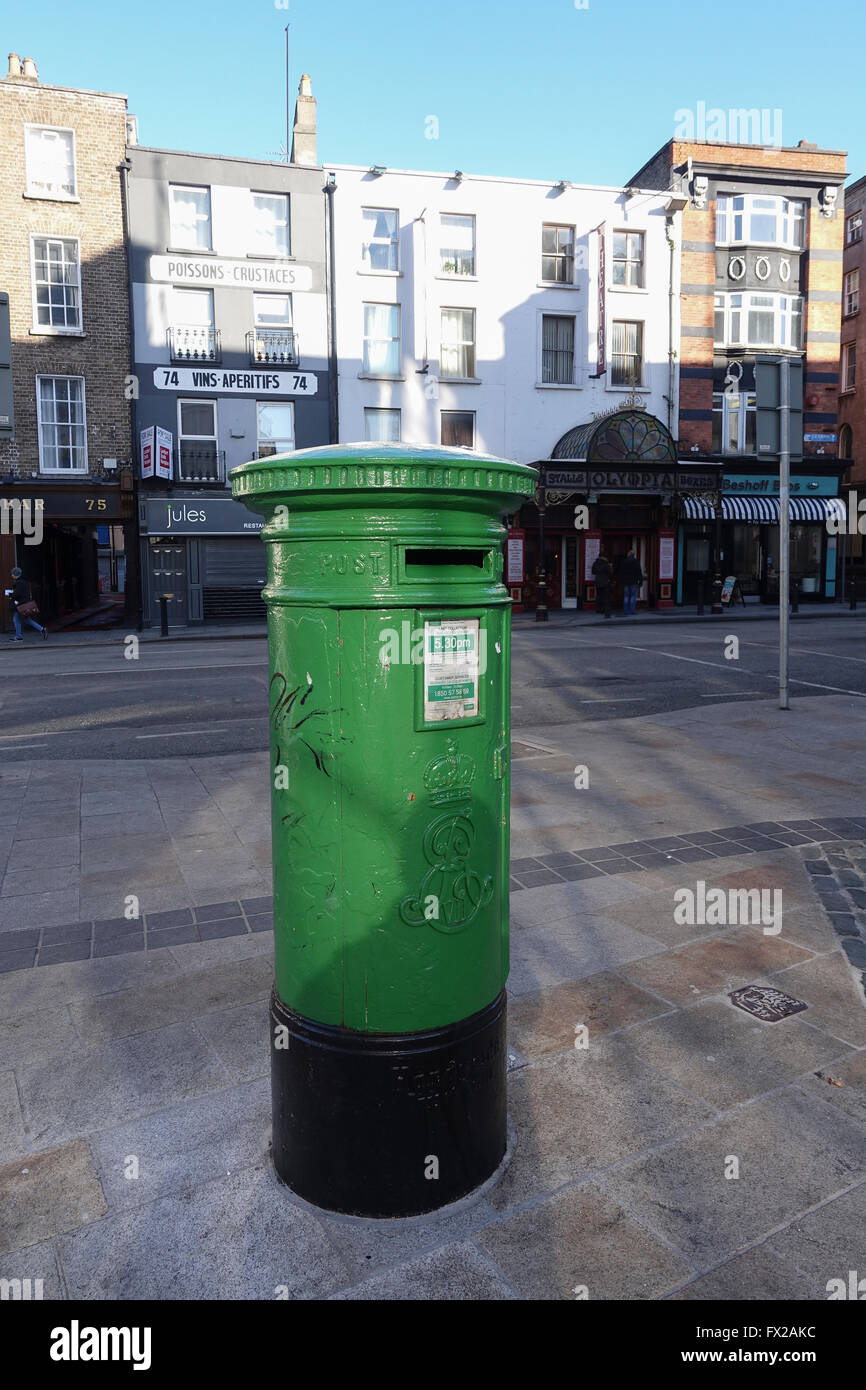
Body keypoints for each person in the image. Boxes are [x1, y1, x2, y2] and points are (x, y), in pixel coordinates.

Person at [7, 568, 47, 642]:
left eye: (12, 573)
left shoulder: (19, 582)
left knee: (16, 620)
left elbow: (17, 594)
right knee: (27, 620)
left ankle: (19, 636)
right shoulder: (25, 581)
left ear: (15, 574)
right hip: (24, 604)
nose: (11, 575)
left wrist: (9, 594)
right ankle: (42, 629)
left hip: (20, 605)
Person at [620, 551, 644, 615]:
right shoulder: (636, 562)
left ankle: (626, 610)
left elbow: (621, 573)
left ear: (628, 555)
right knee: (633, 597)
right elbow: (639, 572)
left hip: (626, 581)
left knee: (626, 596)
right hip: (634, 581)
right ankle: (632, 611)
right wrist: (641, 581)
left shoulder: (624, 562)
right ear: (634, 555)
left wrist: (621, 581)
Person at [591, 550, 613, 618]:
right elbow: (610, 573)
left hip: (598, 581)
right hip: (605, 582)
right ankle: (605, 610)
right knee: (605, 597)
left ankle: (598, 609)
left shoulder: (595, 563)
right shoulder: (606, 564)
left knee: (598, 596)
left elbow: (593, 572)